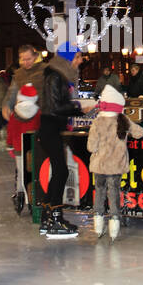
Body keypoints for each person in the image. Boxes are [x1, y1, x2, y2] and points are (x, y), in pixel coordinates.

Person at [36, 42, 95, 239]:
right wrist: (79, 109)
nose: (80, 61)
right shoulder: (54, 76)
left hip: (51, 127)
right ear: (68, 58)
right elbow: (54, 108)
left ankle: (47, 217)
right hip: (49, 127)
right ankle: (55, 218)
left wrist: (75, 106)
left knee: (59, 171)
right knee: (61, 172)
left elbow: (58, 104)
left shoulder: (57, 75)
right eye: (78, 57)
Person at [86, 84, 143, 242]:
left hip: (99, 166)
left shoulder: (97, 122)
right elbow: (139, 133)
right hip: (116, 166)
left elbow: (91, 147)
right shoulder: (123, 120)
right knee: (114, 194)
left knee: (99, 193)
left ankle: (98, 224)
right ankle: (114, 224)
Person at [3, 43, 46, 122]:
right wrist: (7, 105)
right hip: (23, 117)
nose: (26, 62)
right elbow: (12, 92)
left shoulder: (45, 70)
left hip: (42, 116)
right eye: (23, 60)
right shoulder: (18, 74)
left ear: (35, 57)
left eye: (29, 59)